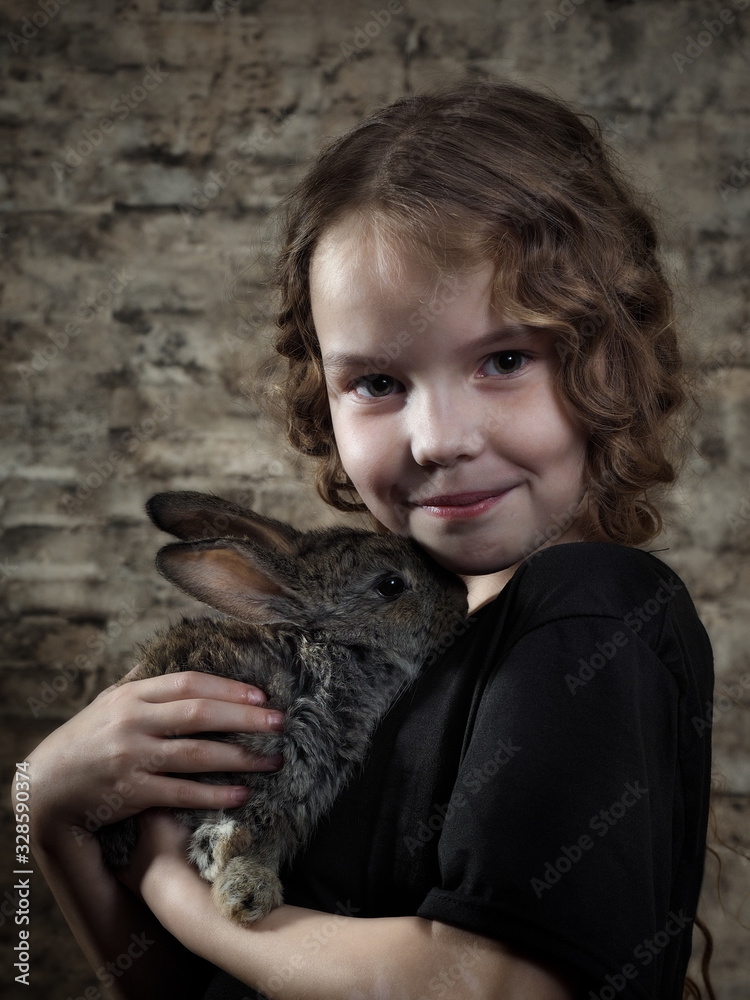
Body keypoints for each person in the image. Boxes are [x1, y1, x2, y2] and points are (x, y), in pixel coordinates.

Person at [22, 79, 714, 1000]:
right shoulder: (374, 670)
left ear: (606, 360)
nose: (438, 438)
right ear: (326, 399)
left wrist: (176, 893)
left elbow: (479, 986)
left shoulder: (591, 609)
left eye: (504, 360)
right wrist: (47, 813)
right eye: (378, 382)